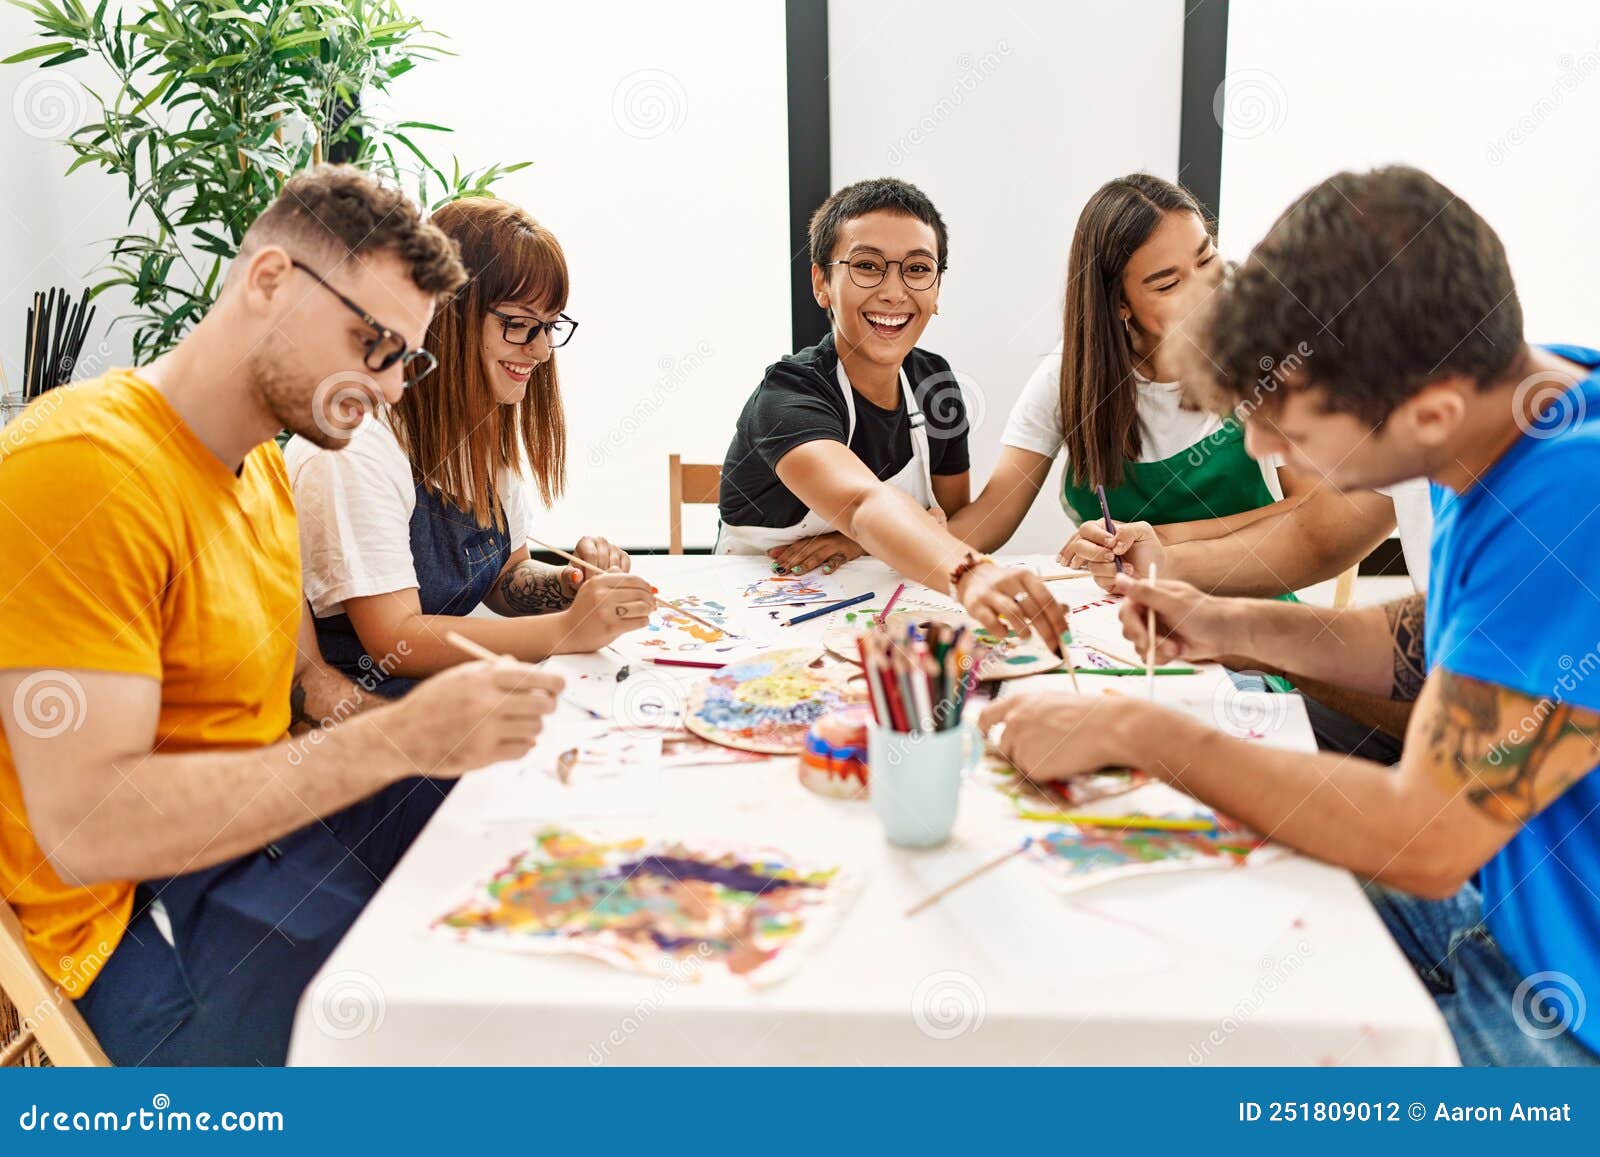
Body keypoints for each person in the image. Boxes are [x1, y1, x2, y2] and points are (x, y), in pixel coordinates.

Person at [982, 166, 1600, 1066]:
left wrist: (1134, 726)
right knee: (1180, 941)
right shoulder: (1516, 406)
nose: (1264, 446)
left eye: (1293, 428)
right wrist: (1230, 623)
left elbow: (1420, 836)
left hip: (1560, 1008)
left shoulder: (1566, 498)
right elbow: (1438, 644)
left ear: (1428, 410)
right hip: (1498, 907)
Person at [0, 167, 563, 1066]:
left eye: (407, 360)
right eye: (374, 344)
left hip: (265, 848)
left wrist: (422, 735)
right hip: (140, 921)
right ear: (267, 282)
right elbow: (89, 828)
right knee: (468, 1035)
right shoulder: (80, 467)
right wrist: (400, 740)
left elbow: (307, 685)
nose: (388, 388)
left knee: (541, 883)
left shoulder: (262, 470)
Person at [949, 173, 1406, 598]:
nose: (1206, 291)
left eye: (1207, 259)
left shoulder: (1259, 361)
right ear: (1119, 306)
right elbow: (992, 516)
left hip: (1245, 613)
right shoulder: (1070, 376)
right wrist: (898, 531)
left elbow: (1311, 512)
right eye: (1168, 284)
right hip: (1121, 618)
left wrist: (1165, 542)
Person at [287, 197, 653, 698]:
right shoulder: (357, 446)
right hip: (363, 715)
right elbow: (395, 640)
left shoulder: (477, 429)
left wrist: (570, 583)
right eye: (519, 324)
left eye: (549, 326)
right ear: (447, 315)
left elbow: (506, 578)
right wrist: (567, 629)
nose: (542, 350)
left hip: (446, 692)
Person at [716, 177, 1068, 645]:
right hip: (758, 621)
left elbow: (952, 525)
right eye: (867, 266)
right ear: (822, 282)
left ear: (937, 288)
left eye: (918, 269)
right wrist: (968, 573)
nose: (894, 292)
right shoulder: (787, 395)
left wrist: (860, 543)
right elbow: (864, 503)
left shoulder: (936, 385)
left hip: (882, 610)